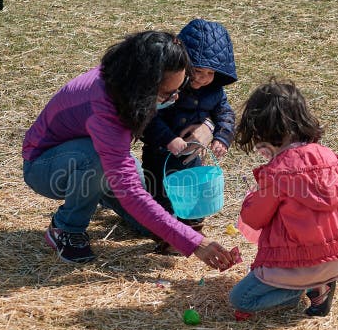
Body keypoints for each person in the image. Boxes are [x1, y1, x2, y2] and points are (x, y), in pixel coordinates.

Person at [21, 30, 235, 271]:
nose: (175, 98)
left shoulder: (127, 80)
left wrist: (210, 124)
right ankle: (66, 228)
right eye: (167, 93)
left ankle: (96, 190)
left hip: (89, 158)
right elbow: (130, 191)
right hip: (44, 168)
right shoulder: (105, 106)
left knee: (150, 227)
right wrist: (194, 242)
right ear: (144, 86)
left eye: (181, 87)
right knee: (100, 162)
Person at [228, 81, 338, 319]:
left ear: (264, 130)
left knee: (241, 299)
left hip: (299, 264)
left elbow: (254, 218)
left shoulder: (279, 171)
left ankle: (307, 289)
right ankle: (321, 283)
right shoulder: (329, 156)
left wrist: (252, 196)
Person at [140, 19, 238, 253]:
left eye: (209, 73)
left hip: (190, 158)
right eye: (196, 70)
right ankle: (166, 235)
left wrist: (222, 137)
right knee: (160, 195)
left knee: (195, 197)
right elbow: (148, 118)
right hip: (159, 155)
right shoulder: (170, 85)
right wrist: (167, 138)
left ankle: (193, 231)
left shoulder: (214, 92)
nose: (201, 78)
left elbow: (225, 114)